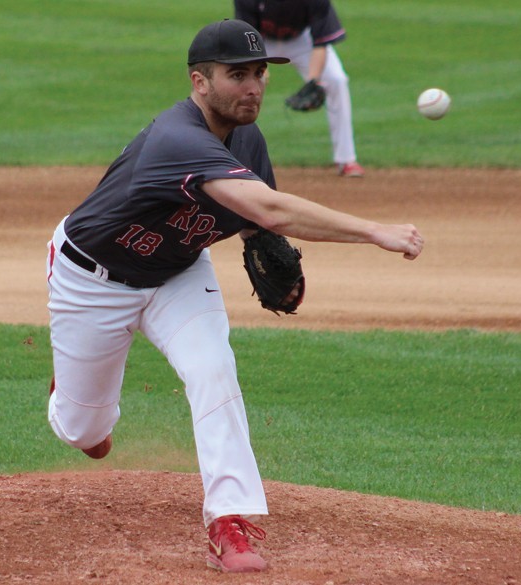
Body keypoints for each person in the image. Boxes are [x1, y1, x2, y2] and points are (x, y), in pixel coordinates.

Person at [44, 19, 423, 573]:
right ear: (200, 82)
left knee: (214, 368)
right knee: (85, 431)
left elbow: (255, 221)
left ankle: (229, 522)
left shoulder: (246, 139)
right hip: (91, 281)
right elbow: (271, 207)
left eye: (259, 74)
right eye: (236, 75)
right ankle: (71, 394)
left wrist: (268, 250)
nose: (253, 86)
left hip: (176, 272)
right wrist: (374, 231)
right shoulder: (175, 138)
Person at [234, 0, 365, 177]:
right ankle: (232, 159)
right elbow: (248, 37)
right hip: (260, 42)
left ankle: (346, 160)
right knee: (237, 86)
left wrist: (313, 82)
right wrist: (258, 71)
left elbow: (320, 43)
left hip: (302, 42)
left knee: (336, 80)